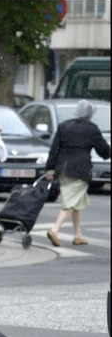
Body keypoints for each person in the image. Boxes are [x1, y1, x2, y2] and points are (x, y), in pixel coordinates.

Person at [45, 99, 111, 247]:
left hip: (62, 169)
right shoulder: (91, 129)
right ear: (90, 115)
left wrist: (50, 168)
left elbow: (54, 149)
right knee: (71, 202)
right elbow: (104, 152)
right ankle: (54, 230)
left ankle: (78, 235)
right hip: (79, 171)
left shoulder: (64, 126)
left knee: (77, 202)